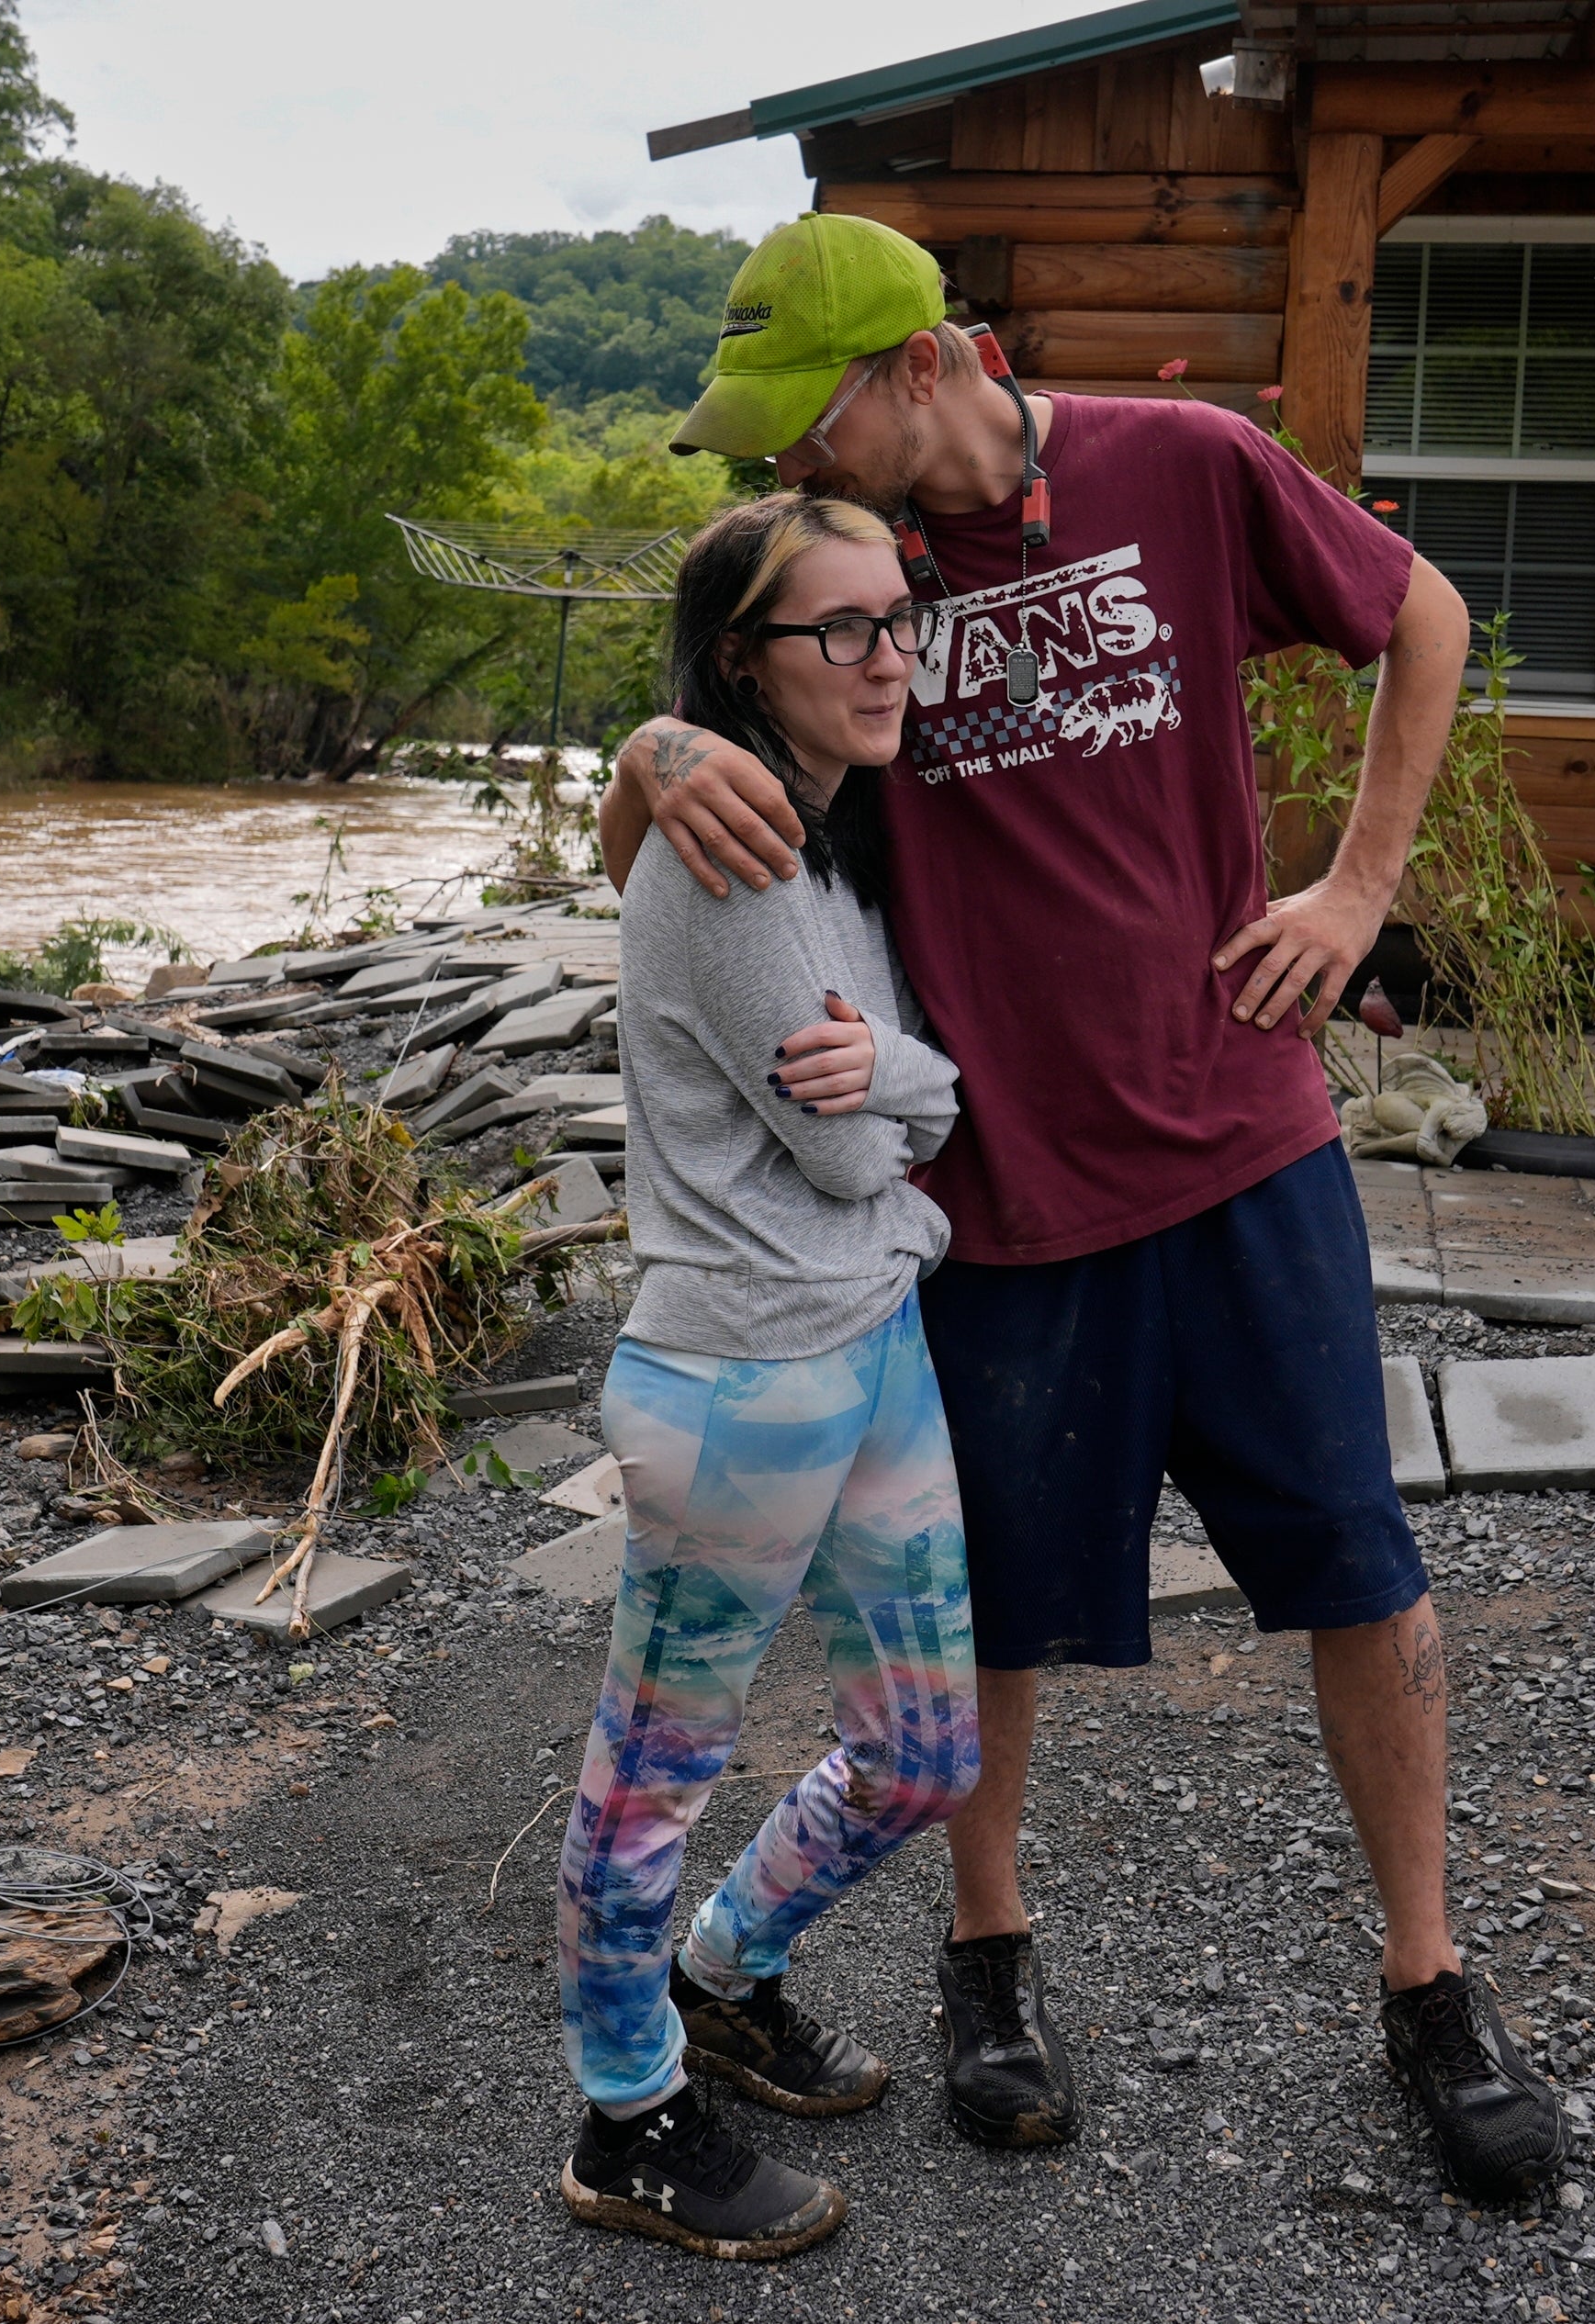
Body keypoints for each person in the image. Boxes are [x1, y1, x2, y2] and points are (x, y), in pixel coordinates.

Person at [598, 211, 1569, 2206]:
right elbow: (654, 795)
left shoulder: (1180, 466)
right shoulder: (845, 587)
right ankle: (990, 1966)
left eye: (812, 420)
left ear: (931, 363)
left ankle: (1432, 1983)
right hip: (999, 1185)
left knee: (1360, 1570)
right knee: (1006, 1615)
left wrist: (1360, 887)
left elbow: (1428, 615)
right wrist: (653, 736)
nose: (789, 466)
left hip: (1244, 1143)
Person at [548, 490, 982, 2263]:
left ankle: (727, 1971)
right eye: (840, 631)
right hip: (737, 1379)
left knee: (929, 1748)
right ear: (744, 659)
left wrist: (899, 1078)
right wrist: (927, 1088)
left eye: (901, 618)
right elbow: (852, 1150)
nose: (888, 660)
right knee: (650, 1774)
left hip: (870, 1346)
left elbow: (880, 1105)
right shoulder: (728, 857)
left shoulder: (832, 830)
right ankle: (627, 2112)